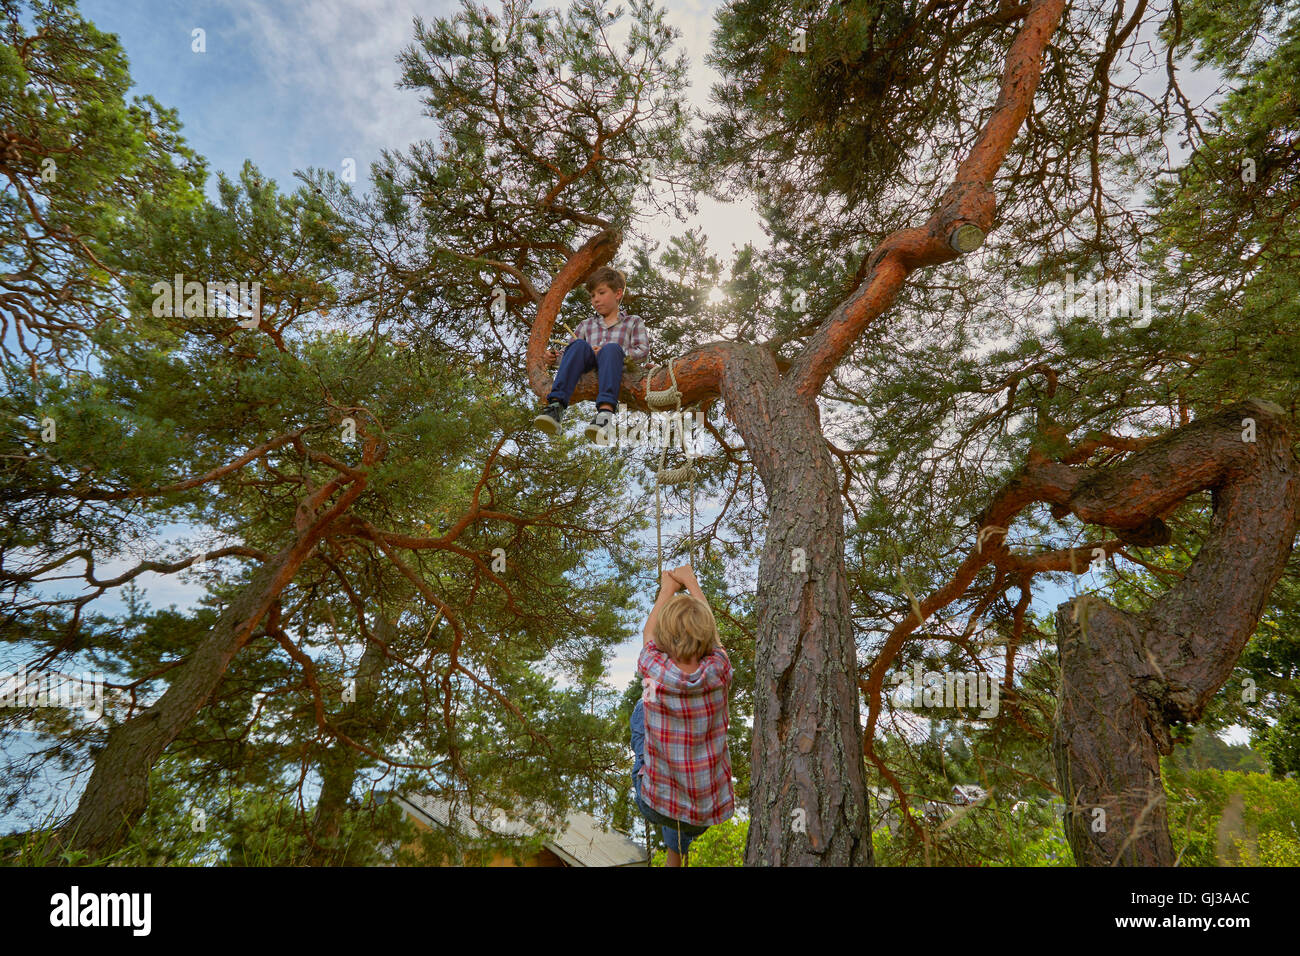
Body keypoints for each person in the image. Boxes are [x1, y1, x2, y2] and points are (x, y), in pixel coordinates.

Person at [632, 564, 734, 866]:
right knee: (682, 794)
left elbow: (647, 633)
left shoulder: (655, 668)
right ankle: (676, 852)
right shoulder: (719, 670)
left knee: (641, 710)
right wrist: (691, 582)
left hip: (654, 804)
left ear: (664, 639)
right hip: (706, 813)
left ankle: (673, 840)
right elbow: (714, 637)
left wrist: (668, 589)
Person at [533, 266, 649, 443]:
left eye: (601, 293)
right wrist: (554, 358)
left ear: (618, 294)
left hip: (615, 364)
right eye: (593, 296)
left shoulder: (633, 321)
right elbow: (570, 353)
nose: (595, 299)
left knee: (610, 349)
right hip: (587, 364)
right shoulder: (586, 325)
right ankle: (555, 407)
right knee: (578, 344)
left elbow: (642, 352)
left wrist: (614, 352)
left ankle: (605, 415)